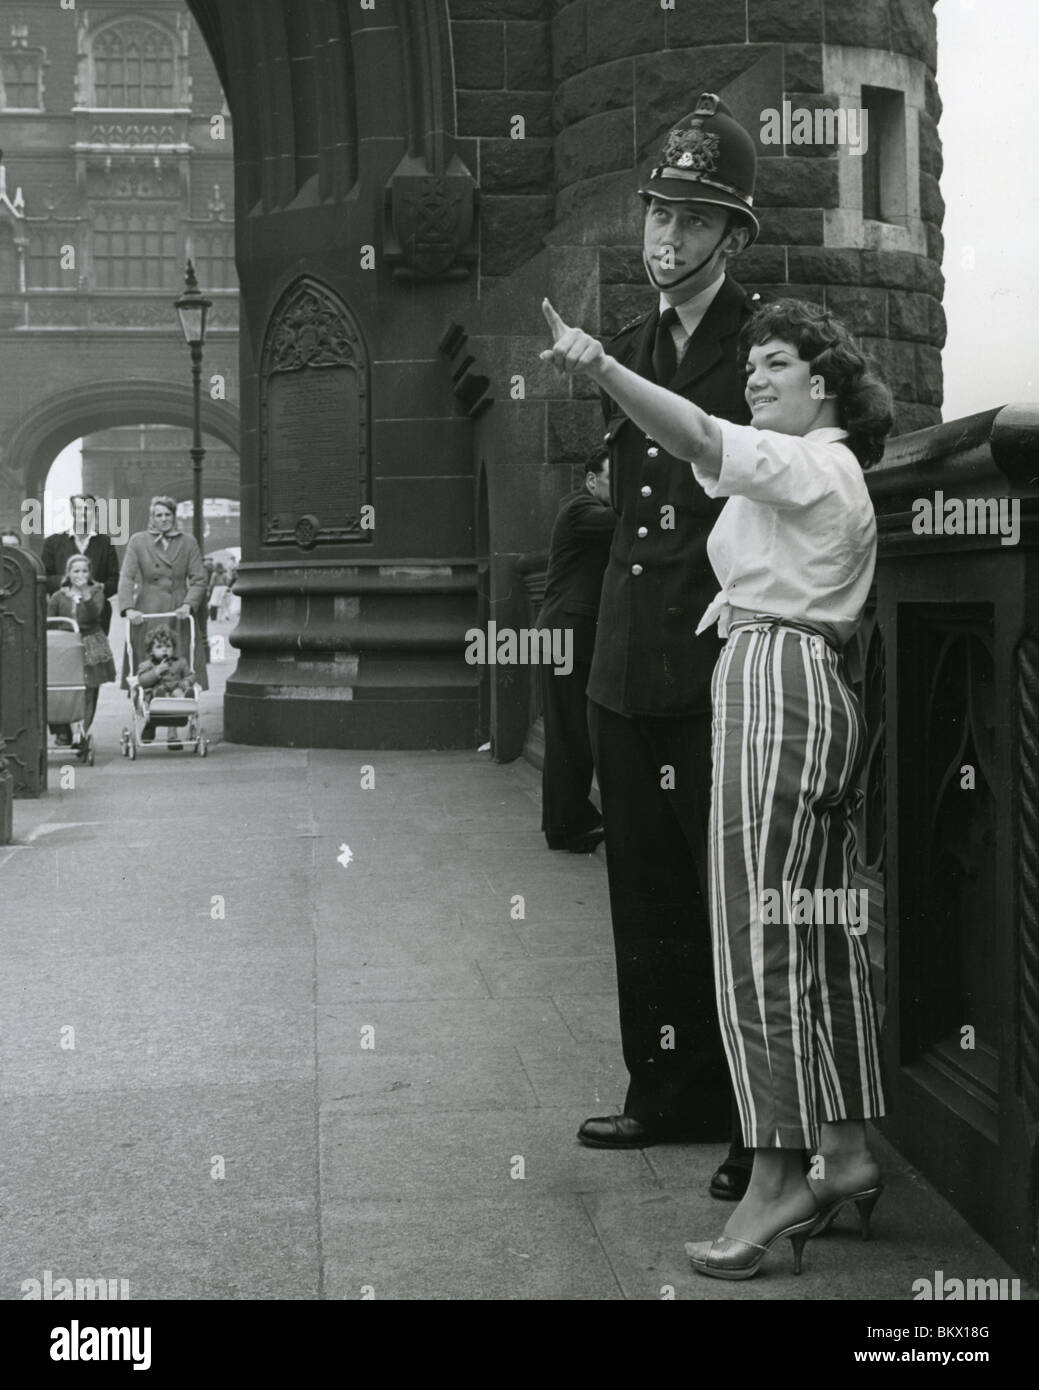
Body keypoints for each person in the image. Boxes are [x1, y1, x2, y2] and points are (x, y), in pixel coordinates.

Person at [541, 292, 893, 1280]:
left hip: (776, 683)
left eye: (774, 363)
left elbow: (697, 432)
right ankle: (850, 1148)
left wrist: (600, 365)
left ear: (821, 384)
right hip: (799, 682)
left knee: (758, 935)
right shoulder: (815, 471)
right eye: (749, 364)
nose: (753, 377)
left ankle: (778, 1171)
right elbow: (707, 449)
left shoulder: (809, 460)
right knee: (816, 933)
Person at [567, 94, 758, 1202]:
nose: (664, 238)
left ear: (731, 239)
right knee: (640, 886)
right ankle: (665, 1085)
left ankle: (749, 1112)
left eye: (691, 221)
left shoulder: (760, 346)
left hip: (714, 655)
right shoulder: (625, 346)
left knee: (723, 891)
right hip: (627, 657)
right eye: (656, 212)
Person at [536, 449, 617, 853]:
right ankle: (568, 824)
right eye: (612, 479)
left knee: (566, 733)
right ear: (591, 480)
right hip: (567, 637)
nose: (617, 490)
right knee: (571, 734)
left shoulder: (580, 508)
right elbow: (622, 522)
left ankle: (563, 823)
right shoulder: (581, 509)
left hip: (563, 637)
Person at [118, 496, 208, 692]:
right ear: (152, 517)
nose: (164, 519)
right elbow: (127, 577)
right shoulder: (138, 541)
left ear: (174, 516)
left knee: (181, 655)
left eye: (168, 514)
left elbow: (199, 579)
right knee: (147, 656)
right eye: (159, 515)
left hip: (179, 608)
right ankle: (145, 699)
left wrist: (188, 604)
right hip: (149, 608)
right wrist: (129, 608)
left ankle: (182, 699)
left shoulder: (188, 542)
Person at [46, 554, 116, 742]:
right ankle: (64, 728)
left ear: (90, 573)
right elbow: (50, 622)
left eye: (84, 570)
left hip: (91, 643)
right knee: (63, 686)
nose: (80, 574)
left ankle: (83, 732)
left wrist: (85, 594)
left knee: (89, 689)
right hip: (66, 644)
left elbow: (95, 615)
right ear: (68, 573)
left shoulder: (96, 593)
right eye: (76, 571)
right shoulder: (58, 596)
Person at [41, 494, 121, 635]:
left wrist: (99, 587)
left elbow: (115, 580)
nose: (83, 512)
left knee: (94, 656)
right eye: (78, 508)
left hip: (97, 617)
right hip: (63, 617)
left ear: (95, 512)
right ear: (72, 511)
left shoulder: (106, 543)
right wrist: (68, 582)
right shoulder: (52, 543)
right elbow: (44, 578)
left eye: (88, 508)